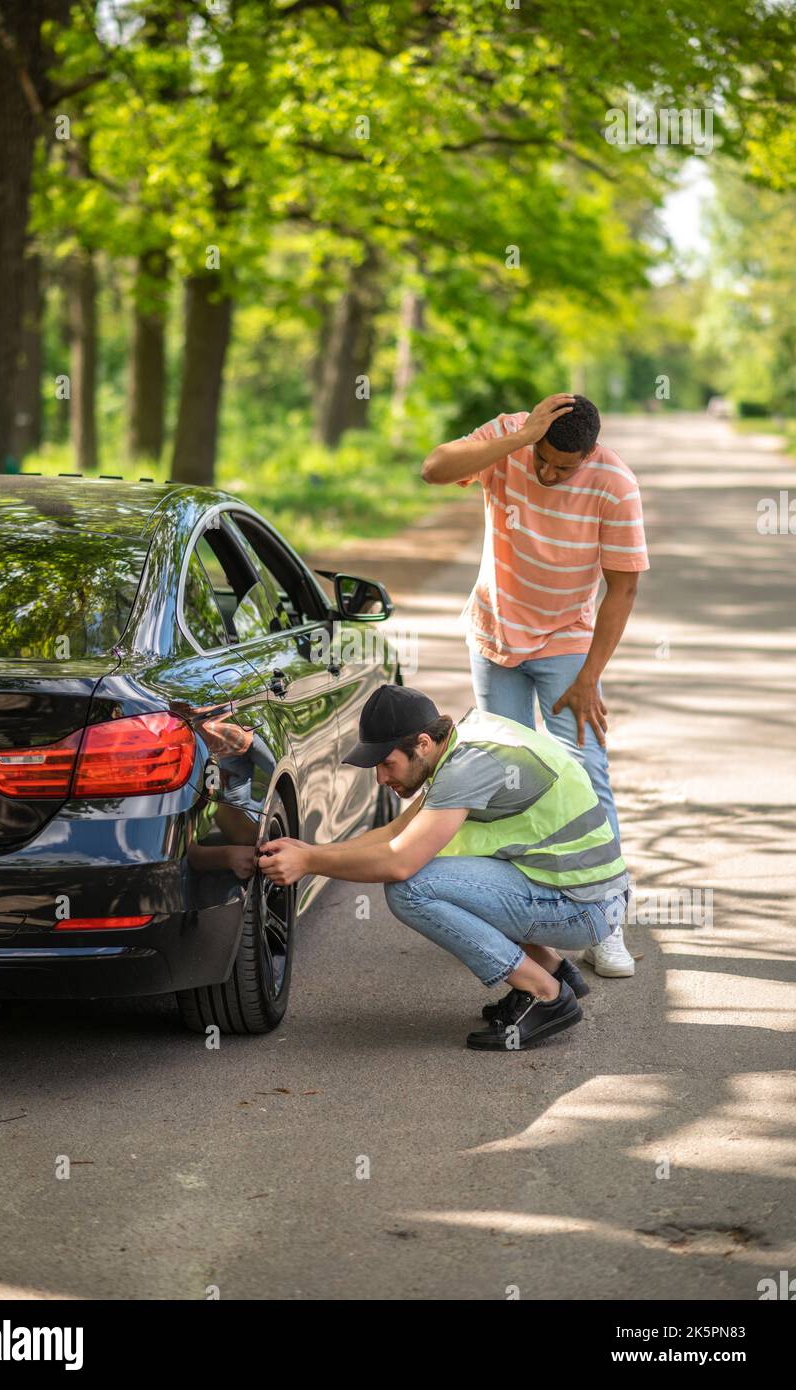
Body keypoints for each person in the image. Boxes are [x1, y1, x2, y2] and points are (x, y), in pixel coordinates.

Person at [257, 685, 630, 1053]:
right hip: (583, 893)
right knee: (440, 872)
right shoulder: (460, 746)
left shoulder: (468, 766)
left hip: (583, 907)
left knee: (411, 888)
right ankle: (550, 970)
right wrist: (312, 851)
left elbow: (400, 861)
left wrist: (309, 863)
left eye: (387, 764)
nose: (381, 779)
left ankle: (545, 994)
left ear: (421, 743)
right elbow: (395, 831)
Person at [421, 393, 648, 978]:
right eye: (543, 459)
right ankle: (514, 914)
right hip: (494, 635)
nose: (548, 474)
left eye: (562, 468)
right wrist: (519, 441)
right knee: (502, 779)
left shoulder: (614, 485)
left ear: (590, 454)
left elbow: (621, 590)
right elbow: (434, 468)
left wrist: (590, 677)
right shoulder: (510, 440)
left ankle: (606, 920)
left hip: (566, 643)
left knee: (586, 768)